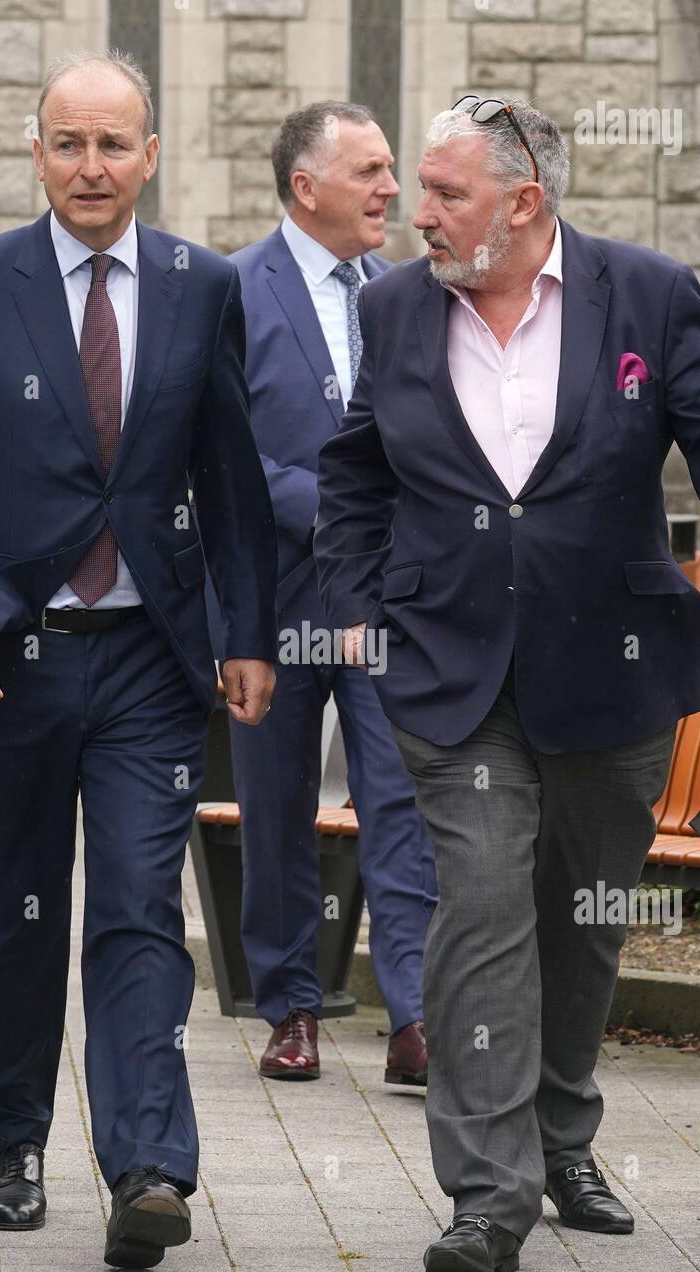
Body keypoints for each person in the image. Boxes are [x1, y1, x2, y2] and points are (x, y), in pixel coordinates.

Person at [314, 96, 700, 1272]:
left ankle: (564, 1135)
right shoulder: (394, 306)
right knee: (481, 911)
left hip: (612, 667)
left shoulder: (648, 294)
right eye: (415, 189)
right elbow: (357, 469)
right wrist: (361, 607)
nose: (414, 214)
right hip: (450, 668)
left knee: (583, 920)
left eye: (444, 194)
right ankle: (488, 1192)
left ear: (525, 203)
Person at [0, 49, 277, 1271]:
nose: (92, 166)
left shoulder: (203, 285)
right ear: (39, 152)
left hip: (153, 661)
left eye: (115, 144)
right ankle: (12, 1140)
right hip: (8, 657)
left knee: (139, 905)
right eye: (70, 143)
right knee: (14, 905)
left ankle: (150, 1164)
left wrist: (251, 631)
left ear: (150, 156)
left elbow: (232, 476)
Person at [207, 102, 437, 1085]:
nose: (394, 189)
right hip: (274, 602)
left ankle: (415, 1017)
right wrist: (346, 508)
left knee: (402, 799)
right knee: (276, 803)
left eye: (393, 170)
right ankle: (291, 1005)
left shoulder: (405, 292)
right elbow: (219, 457)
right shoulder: (231, 294)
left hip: (387, 607)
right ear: (307, 187)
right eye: (373, 171)